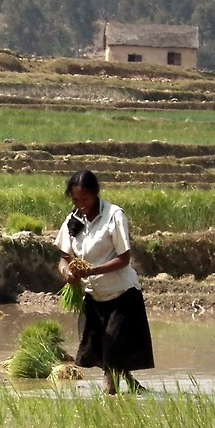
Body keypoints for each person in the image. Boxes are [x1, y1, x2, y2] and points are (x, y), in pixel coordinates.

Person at [55, 169, 154, 395]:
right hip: (93, 296)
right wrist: (67, 272)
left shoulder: (113, 215)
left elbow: (124, 258)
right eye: (75, 200)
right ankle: (129, 381)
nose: (81, 204)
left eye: (85, 199)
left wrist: (93, 270)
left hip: (121, 295)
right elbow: (64, 257)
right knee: (99, 351)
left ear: (96, 194)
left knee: (111, 352)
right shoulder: (73, 220)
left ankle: (109, 397)